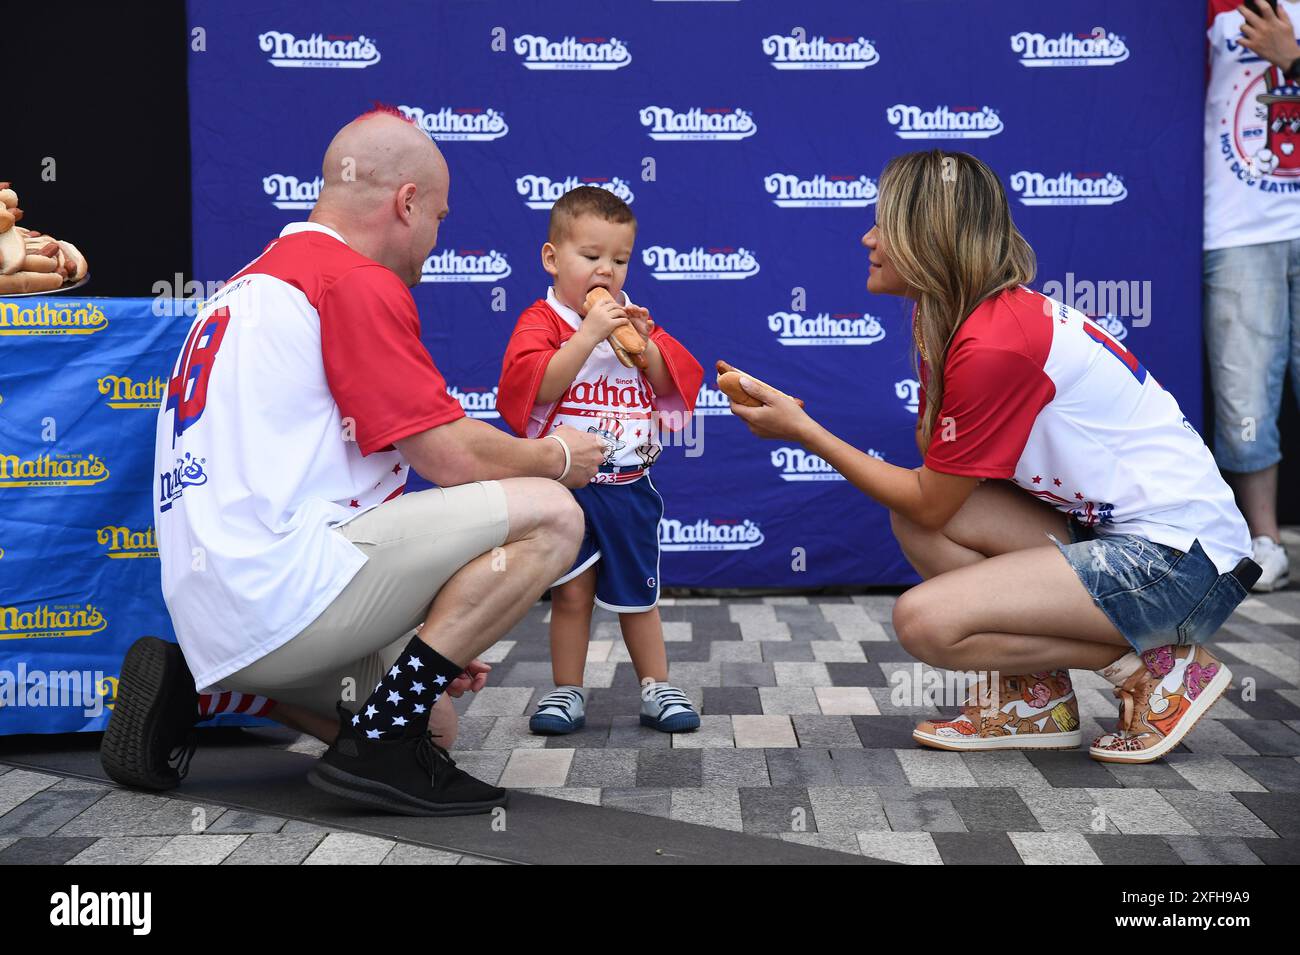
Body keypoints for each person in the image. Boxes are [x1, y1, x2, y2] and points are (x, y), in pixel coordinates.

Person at [102, 106, 607, 815]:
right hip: (282, 595)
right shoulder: (351, 280)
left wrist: (437, 627)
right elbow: (448, 454)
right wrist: (555, 455)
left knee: (437, 724)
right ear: (405, 203)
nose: (437, 238)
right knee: (552, 514)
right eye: (438, 216)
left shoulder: (246, 285)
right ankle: (376, 747)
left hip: (218, 614)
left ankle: (211, 685)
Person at [727, 150, 1261, 764]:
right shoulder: (955, 320)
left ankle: (1161, 671)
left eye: (885, 225)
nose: (867, 237)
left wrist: (805, 431)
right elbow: (940, 488)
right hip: (1127, 538)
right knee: (927, 521)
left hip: (1185, 565)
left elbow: (929, 495)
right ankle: (1035, 700)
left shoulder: (994, 343)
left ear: (929, 238)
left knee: (926, 623)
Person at [497, 187, 705, 735]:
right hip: (566, 489)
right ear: (552, 258)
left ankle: (656, 686)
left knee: (640, 596)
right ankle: (567, 690)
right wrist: (588, 333)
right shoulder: (542, 320)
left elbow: (673, 382)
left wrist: (644, 342)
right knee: (570, 594)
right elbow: (533, 385)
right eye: (591, 257)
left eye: (619, 260)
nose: (606, 271)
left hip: (628, 484)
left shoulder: (631, 321)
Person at [1203, 0, 1300, 591]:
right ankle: (1265, 538)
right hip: (1239, 225)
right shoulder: (1212, 9)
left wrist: (1293, 59)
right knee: (1244, 391)